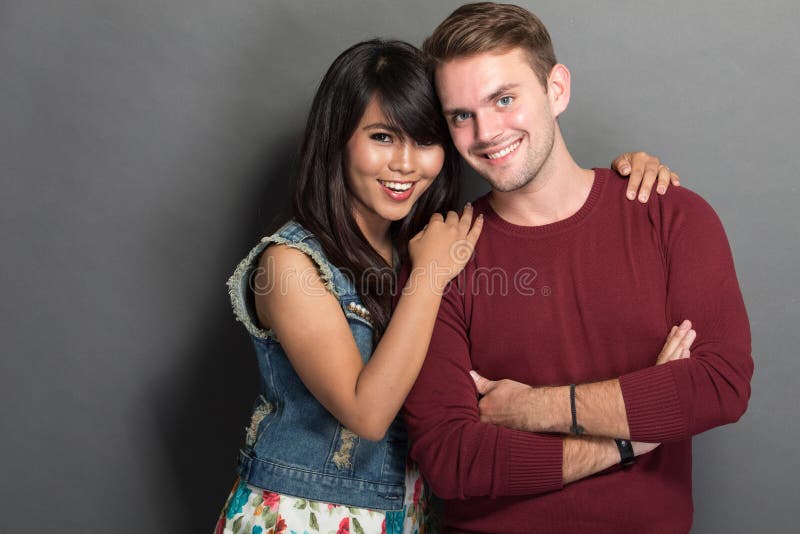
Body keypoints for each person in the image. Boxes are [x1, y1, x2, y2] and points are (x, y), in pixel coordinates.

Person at [217, 38, 679, 534]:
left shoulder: (422, 247)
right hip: (304, 517)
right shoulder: (290, 263)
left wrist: (632, 177)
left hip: (409, 518)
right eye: (381, 137)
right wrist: (431, 275)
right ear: (338, 139)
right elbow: (367, 413)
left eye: (424, 140)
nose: (405, 164)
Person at [402, 3, 753, 533]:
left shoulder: (670, 214)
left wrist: (535, 408)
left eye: (504, 99)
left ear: (557, 89)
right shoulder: (442, 255)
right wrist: (631, 435)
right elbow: (453, 459)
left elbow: (719, 385)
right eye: (461, 115)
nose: (486, 132)